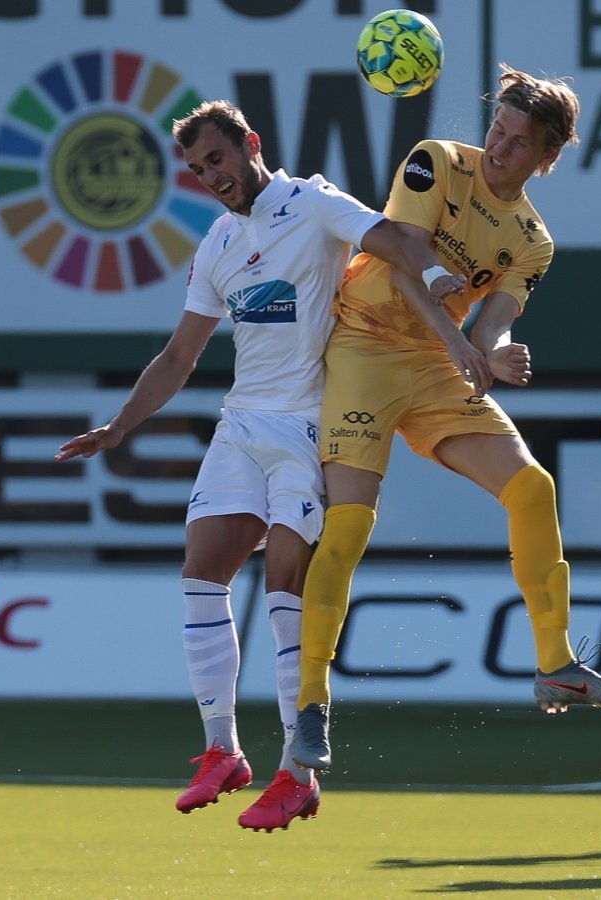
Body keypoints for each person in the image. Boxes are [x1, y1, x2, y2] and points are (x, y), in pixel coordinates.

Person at [55, 100, 462, 833]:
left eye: (217, 159)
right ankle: (223, 751)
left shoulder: (309, 202)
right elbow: (180, 356)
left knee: (286, 589)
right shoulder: (215, 243)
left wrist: (434, 276)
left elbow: (392, 236)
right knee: (201, 571)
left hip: (311, 425)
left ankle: (296, 775)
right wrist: (119, 427)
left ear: (250, 145)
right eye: (198, 169)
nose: (211, 177)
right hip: (242, 425)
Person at [290, 64, 601, 774]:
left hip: (436, 364)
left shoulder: (533, 240)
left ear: (548, 157)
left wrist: (499, 353)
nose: (499, 146)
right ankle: (310, 706)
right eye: (498, 129)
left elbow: (494, 327)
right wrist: (461, 344)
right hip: (361, 343)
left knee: (532, 487)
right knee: (352, 524)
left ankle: (555, 664)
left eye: (518, 143)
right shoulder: (437, 163)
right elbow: (403, 261)